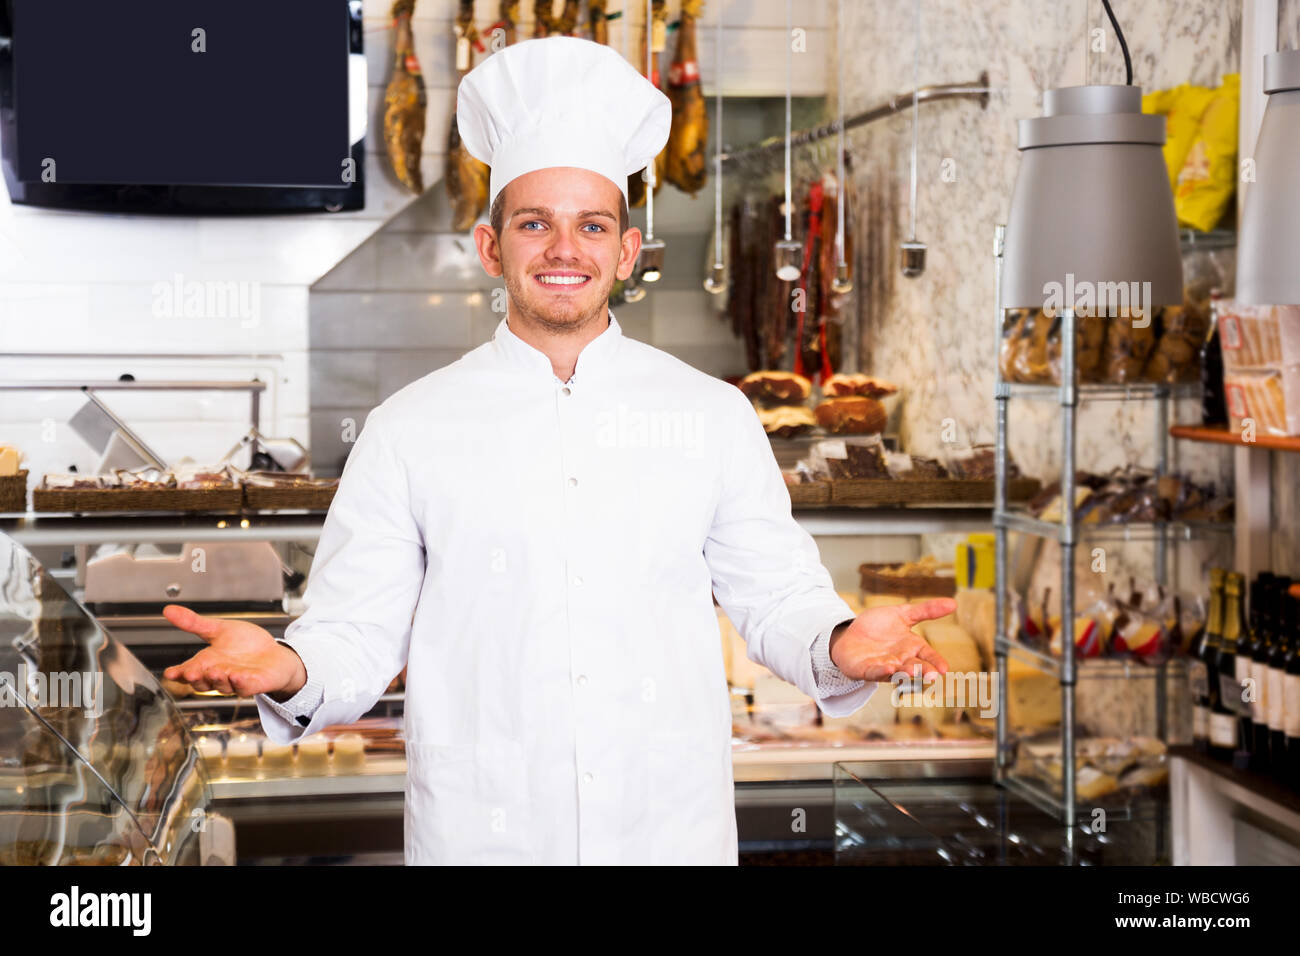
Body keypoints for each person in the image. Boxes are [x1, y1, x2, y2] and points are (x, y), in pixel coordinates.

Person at [163, 35, 952, 865]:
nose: (565, 250)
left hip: (667, 833)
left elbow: (777, 595)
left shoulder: (711, 416)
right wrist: (288, 663)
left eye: (592, 225)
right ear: (491, 247)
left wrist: (837, 643)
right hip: (481, 832)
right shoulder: (409, 428)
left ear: (627, 250)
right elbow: (357, 632)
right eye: (535, 223)